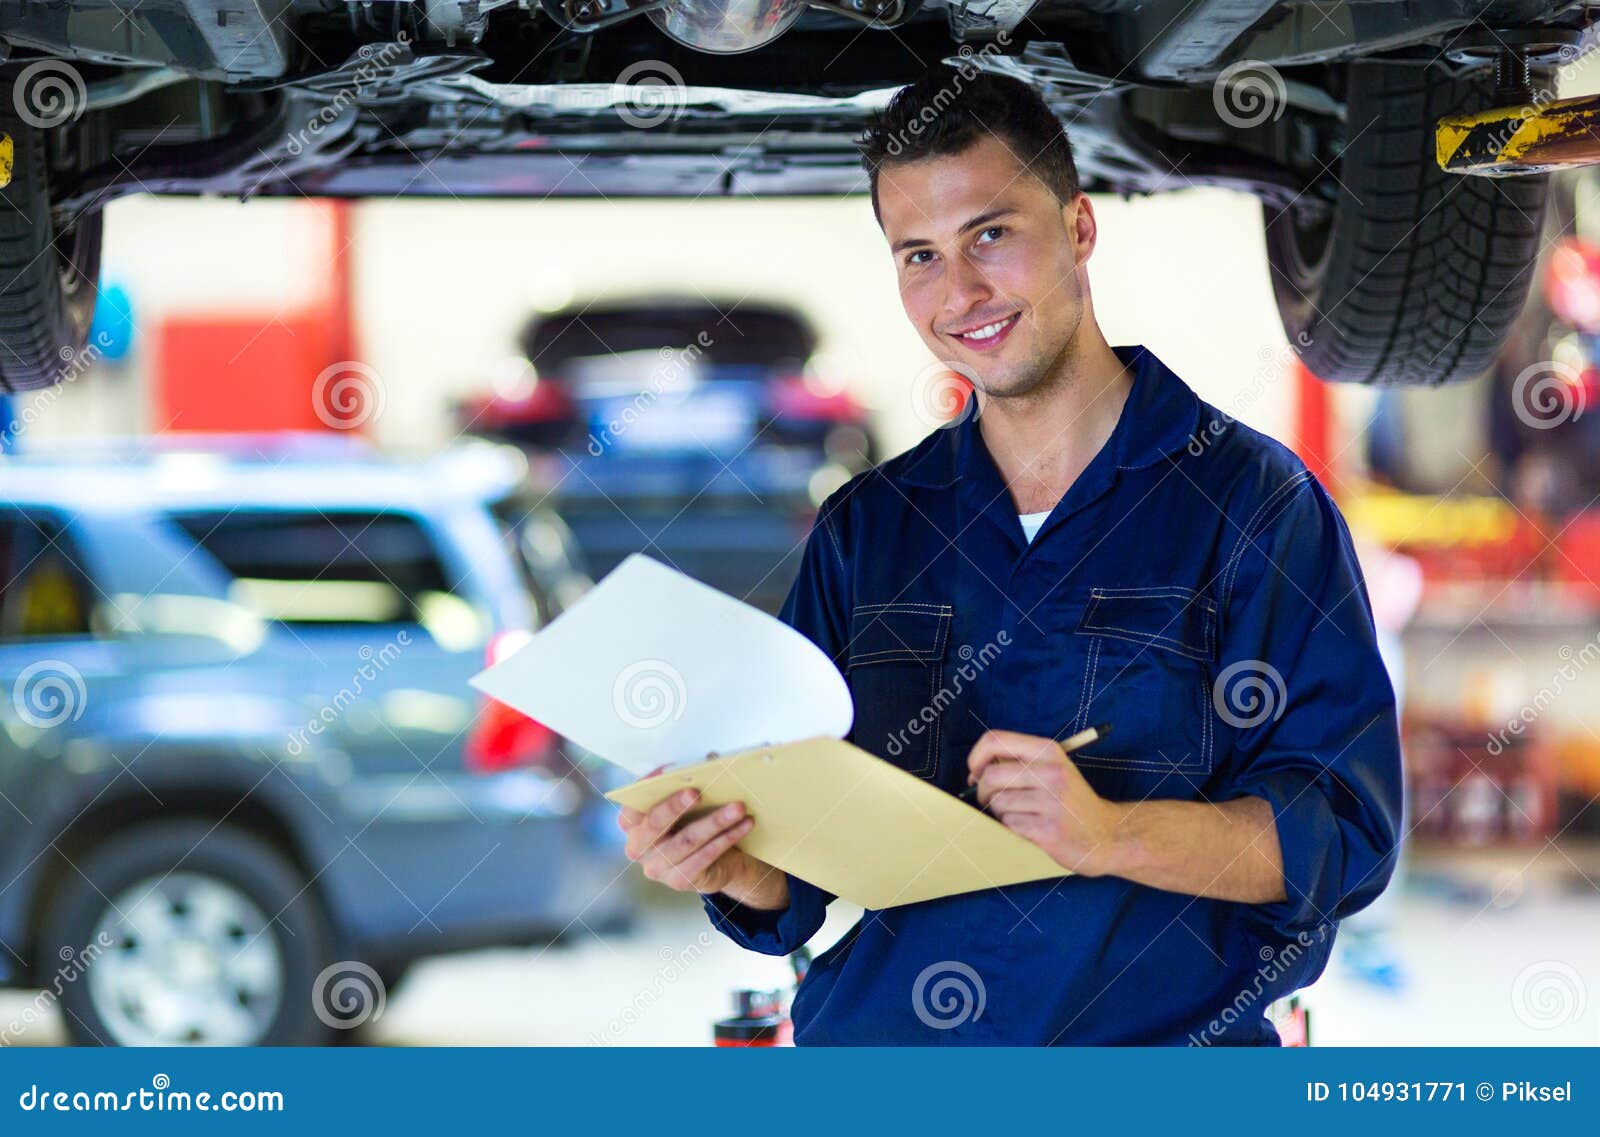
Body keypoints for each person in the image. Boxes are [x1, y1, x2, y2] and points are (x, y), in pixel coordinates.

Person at [618, 64, 1403, 1045]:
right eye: (918, 255)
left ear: (1077, 229)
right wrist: (733, 863)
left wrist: (1112, 834)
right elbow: (802, 864)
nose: (960, 293)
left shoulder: (1250, 504)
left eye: (990, 234)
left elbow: (1345, 839)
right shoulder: (870, 526)